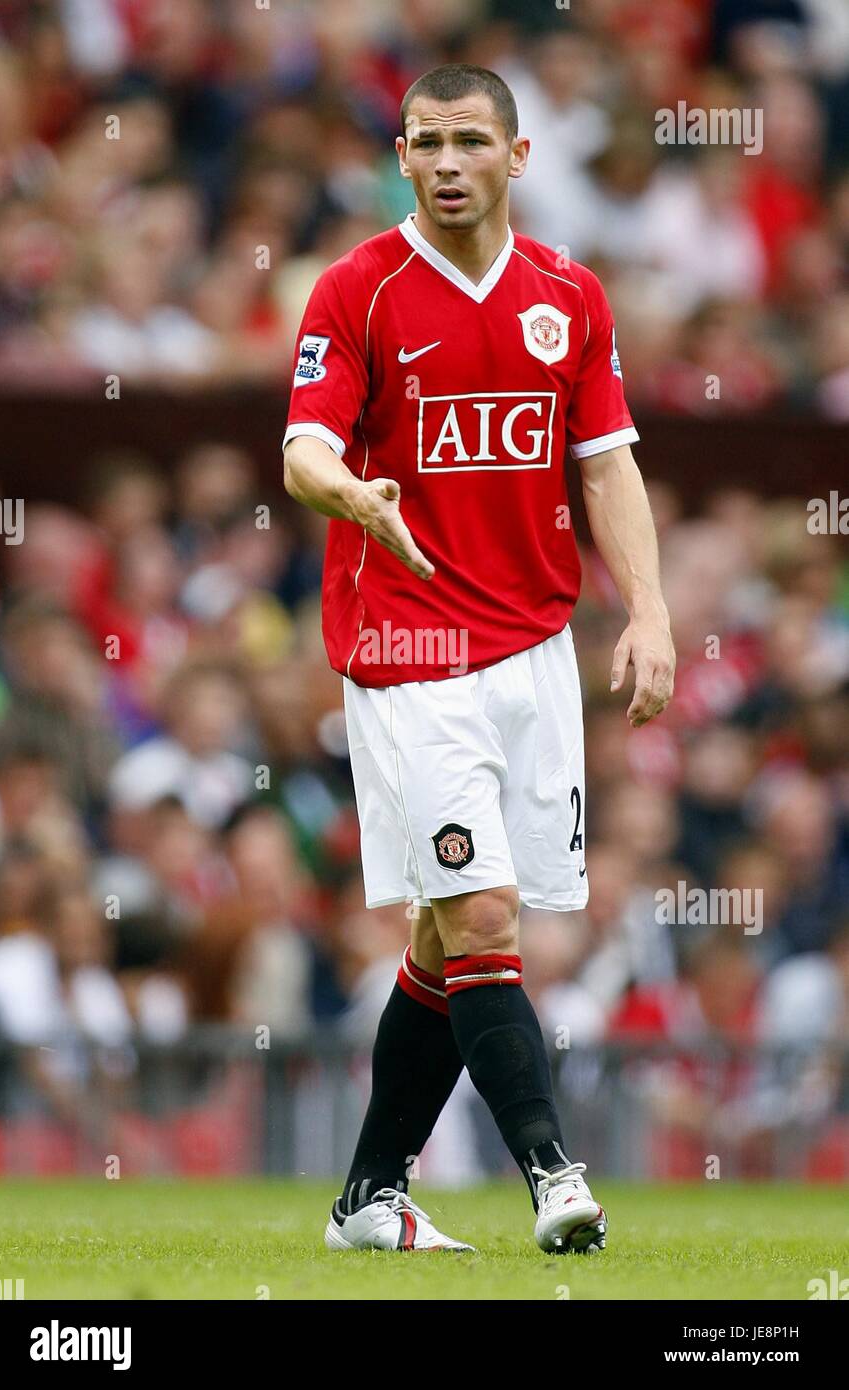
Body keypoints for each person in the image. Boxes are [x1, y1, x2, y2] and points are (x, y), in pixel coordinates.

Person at [282, 64, 675, 1254]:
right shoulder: (356, 290)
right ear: (398, 159)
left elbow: (603, 463)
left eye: (467, 140)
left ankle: (366, 1198)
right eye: (423, 142)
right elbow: (301, 452)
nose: (445, 161)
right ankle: (554, 1172)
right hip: (406, 650)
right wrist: (355, 493)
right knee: (484, 914)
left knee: (438, 941)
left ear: (515, 156)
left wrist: (648, 613)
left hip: (533, 649)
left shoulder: (568, 293)